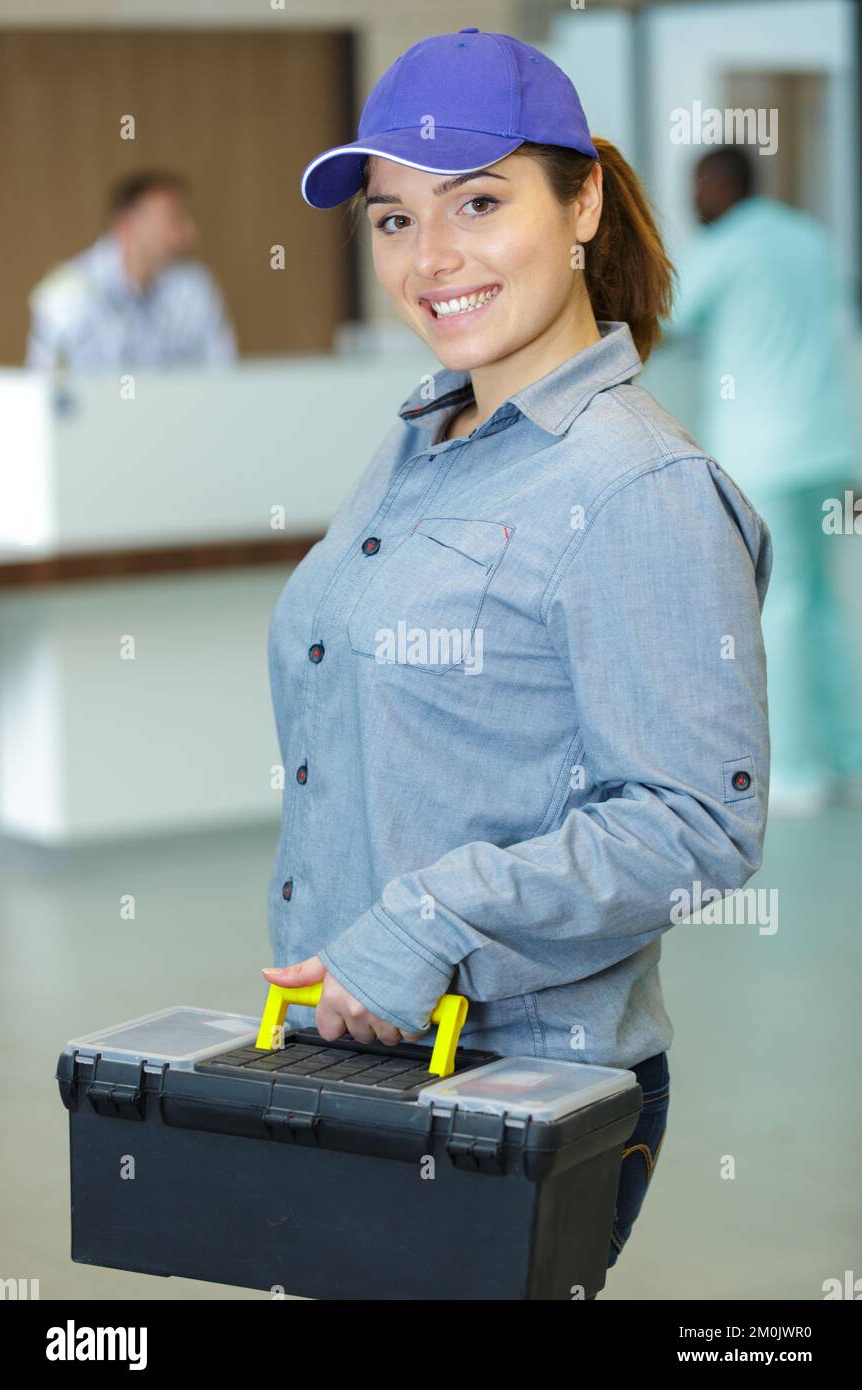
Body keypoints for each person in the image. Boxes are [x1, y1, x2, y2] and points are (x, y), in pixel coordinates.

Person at [261, 28, 772, 1291]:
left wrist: (423, 923)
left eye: (477, 202)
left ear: (581, 199)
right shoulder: (424, 441)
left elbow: (696, 820)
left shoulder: (635, 485)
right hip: (363, 1053)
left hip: (519, 1086)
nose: (429, 259)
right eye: (392, 220)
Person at [671, 146, 862, 814]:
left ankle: (801, 774)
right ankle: (849, 759)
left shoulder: (728, 246)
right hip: (832, 450)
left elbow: (667, 316)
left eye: (698, 187)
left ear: (725, 186)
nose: (693, 202)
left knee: (777, 611)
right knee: (823, 606)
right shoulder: (810, 238)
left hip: (769, 455)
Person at [26, 171, 237, 369]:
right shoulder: (66, 293)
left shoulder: (195, 287)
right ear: (126, 225)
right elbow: (47, 388)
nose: (191, 232)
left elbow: (221, 373)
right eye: (175, 218)